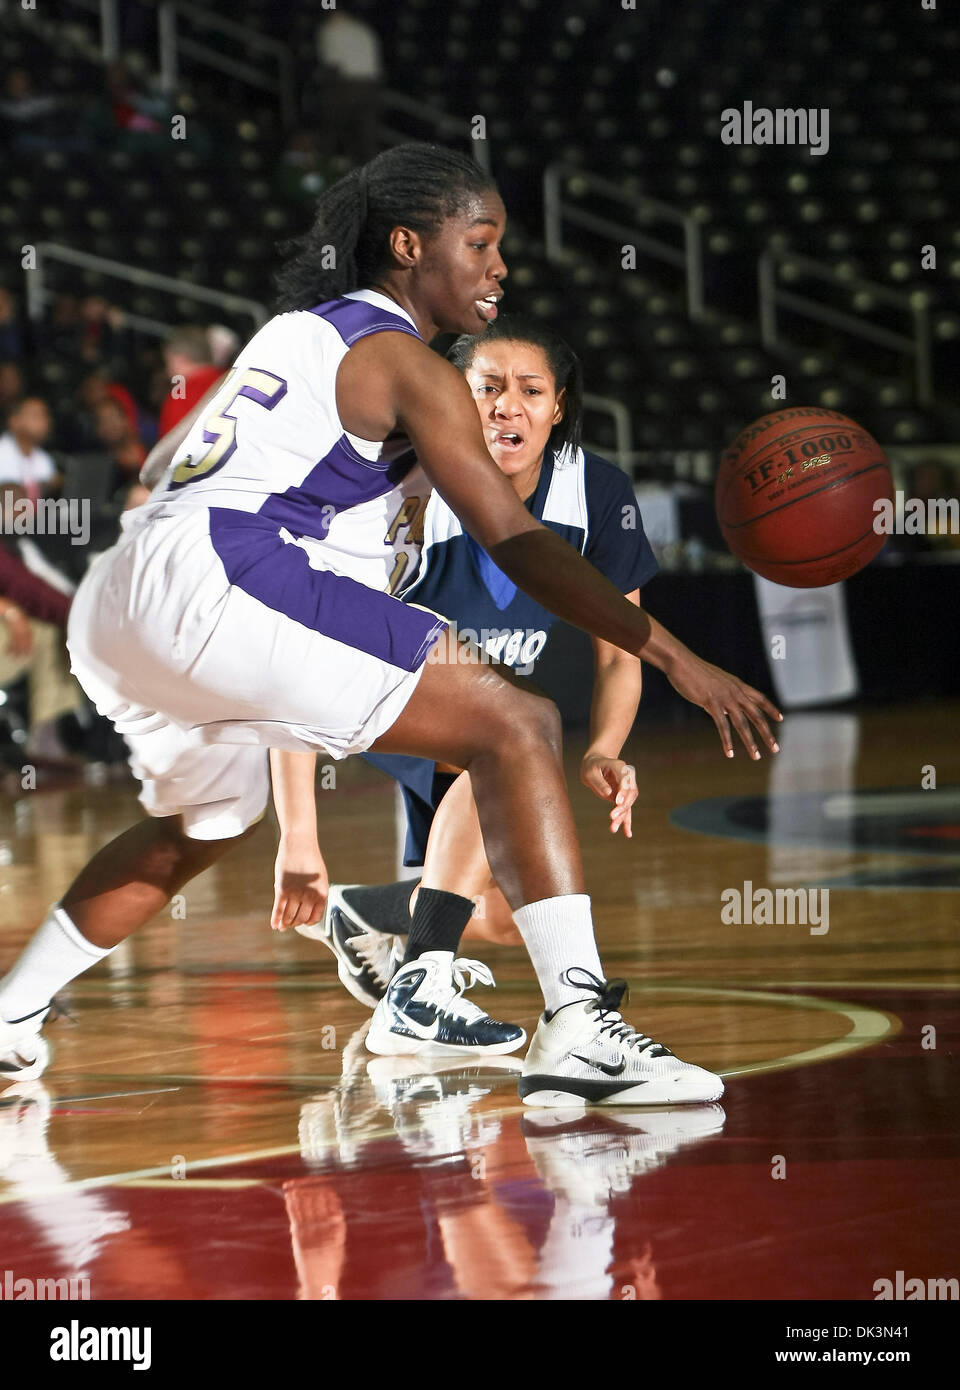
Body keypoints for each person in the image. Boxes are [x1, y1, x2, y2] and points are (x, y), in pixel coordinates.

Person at [0, 143, 780, 1109]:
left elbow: (162, 470)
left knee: (200, 821)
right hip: (223, 571)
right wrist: (676, 659)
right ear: (409, 245)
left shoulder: (289, 336)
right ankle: (578, 1027)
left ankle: (10, 1016)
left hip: (119, 601)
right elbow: (517, 543)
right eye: (480, 243)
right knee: (518, 723)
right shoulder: (404, 358)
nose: (500, 269)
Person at [296, 315, 656, 1009]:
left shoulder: (599, 495)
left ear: (557, 406)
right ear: (455, 398)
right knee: (503, 736)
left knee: (495, 915)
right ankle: (538, 998)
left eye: (529, 389)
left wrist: (604, 749)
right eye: (486, 386)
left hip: (492, 709)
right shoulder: (403, 489)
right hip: (388, 695)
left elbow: (620, 656)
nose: (505, 404)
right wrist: (300, 830)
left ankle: (368, 911)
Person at [157, 327, 224, 438]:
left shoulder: (179, 396)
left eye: (167, 362)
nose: (167, 371)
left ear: (178, 359)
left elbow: (172, 451)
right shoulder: (232, 379)